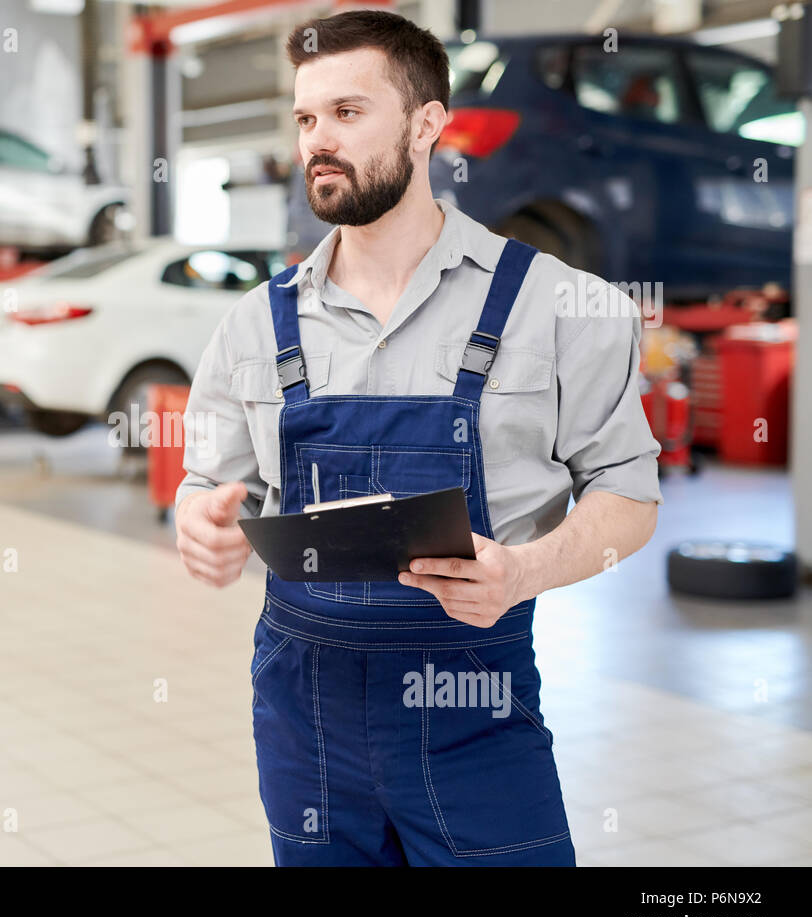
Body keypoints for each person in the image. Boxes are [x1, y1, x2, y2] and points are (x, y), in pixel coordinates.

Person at [174, 10, 661, 866]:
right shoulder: (255, 325)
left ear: (428, 122)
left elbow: (630, 494)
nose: (318, 140)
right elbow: (208, 485)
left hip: (477, 715)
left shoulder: (557, 308)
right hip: (306, 725)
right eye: (305, 118)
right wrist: (202, 528)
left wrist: (527, 571)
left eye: (349, 113)